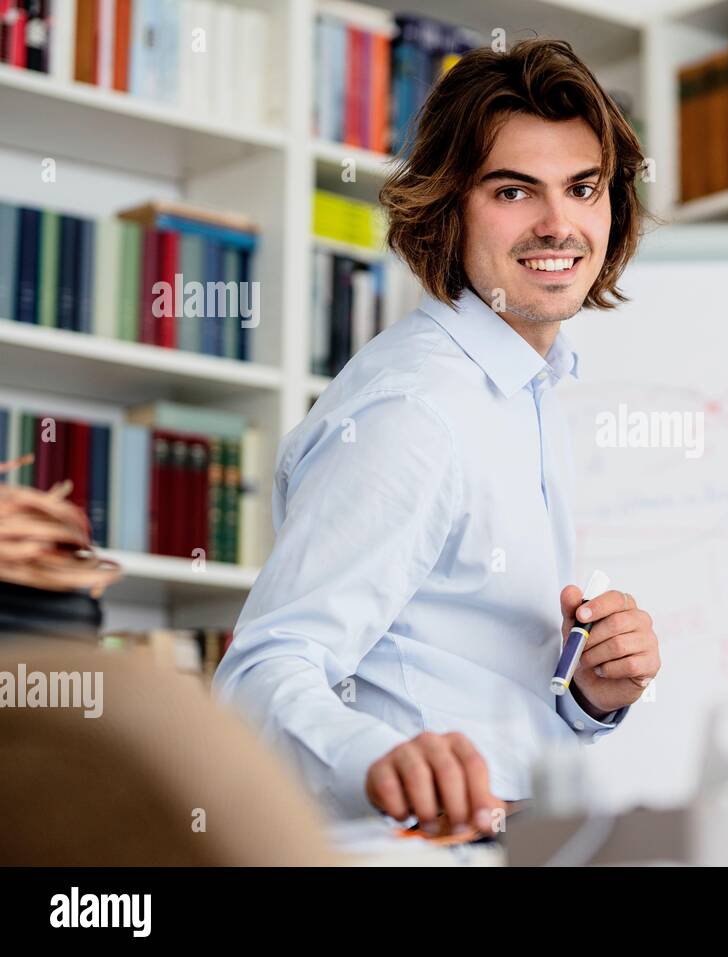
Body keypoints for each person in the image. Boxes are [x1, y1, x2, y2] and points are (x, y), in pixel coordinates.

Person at [214, 38, 662, 837]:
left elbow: (475, 687)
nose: (558, 224)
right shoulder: (414, 410)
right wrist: (387, 766)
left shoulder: (528, 386)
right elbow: (257, 678)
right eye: (515, 191)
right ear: (448, 205)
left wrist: (589, 695)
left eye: (583, 188)